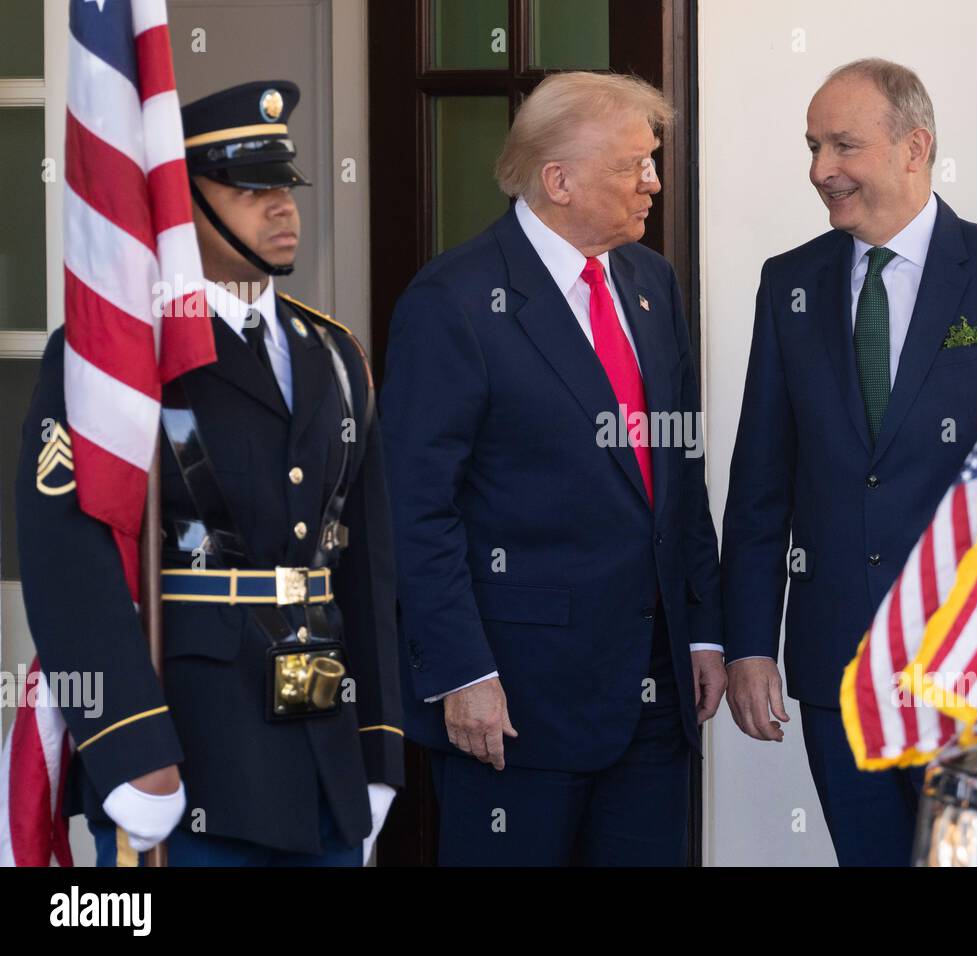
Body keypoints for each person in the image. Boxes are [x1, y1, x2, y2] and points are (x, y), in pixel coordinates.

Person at [16, 80, 403, 866]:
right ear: (180, 201)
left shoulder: (334, 354)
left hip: (324, 760)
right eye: (250, 187)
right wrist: (128, 744)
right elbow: (67, 556)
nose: (283, 207)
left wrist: (378, 750)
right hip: (187, 757)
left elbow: (366, 565)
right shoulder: (121, 358)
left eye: (284, 186)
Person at [721, 58, 977, 866]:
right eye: (814, 146)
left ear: (914, 147)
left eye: (843, 145)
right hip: (836, 674)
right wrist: (750, 640)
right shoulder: (789, 284)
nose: (821, 170)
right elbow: (760, 480)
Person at [382, 71, 724, 866]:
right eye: (632, 165)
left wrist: (704, 632)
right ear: (558, 179)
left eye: (652, 160)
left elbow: (678, 473)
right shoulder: (455, 300)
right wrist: (462, 670)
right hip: (513, 704)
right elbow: (415, 507)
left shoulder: (651, 283)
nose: (654, 182)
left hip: (653, 695)